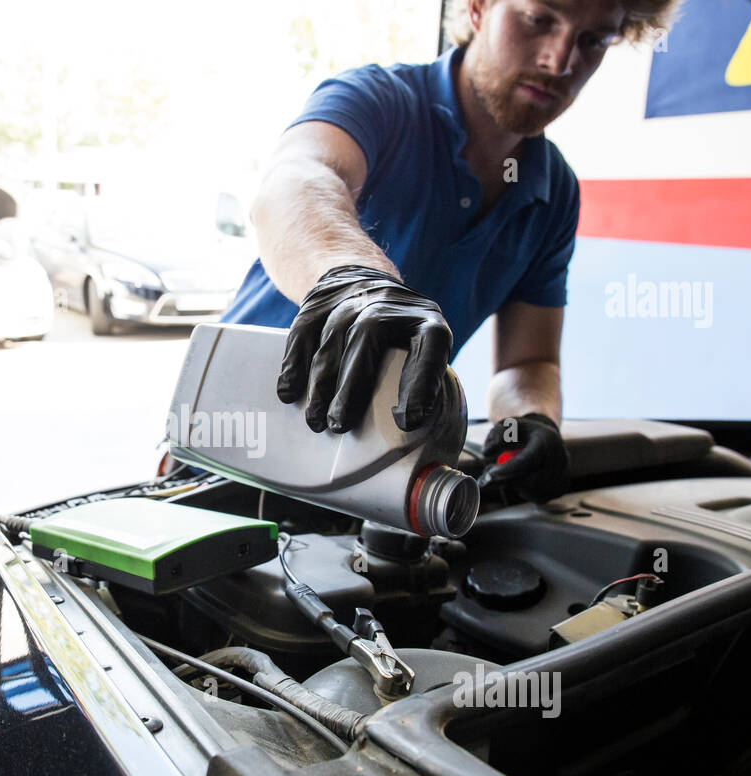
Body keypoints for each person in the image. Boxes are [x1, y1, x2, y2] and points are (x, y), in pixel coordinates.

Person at [220, 0, 677, 502]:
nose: (560, 61)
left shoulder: (554, 192)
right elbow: (296, 182)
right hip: (226, 453)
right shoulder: (379, 99)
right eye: (539, 19)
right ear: (479, 8)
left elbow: (526, 363)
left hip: (366, 482)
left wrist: (530, 421)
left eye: (593, 41)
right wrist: (357, 281)